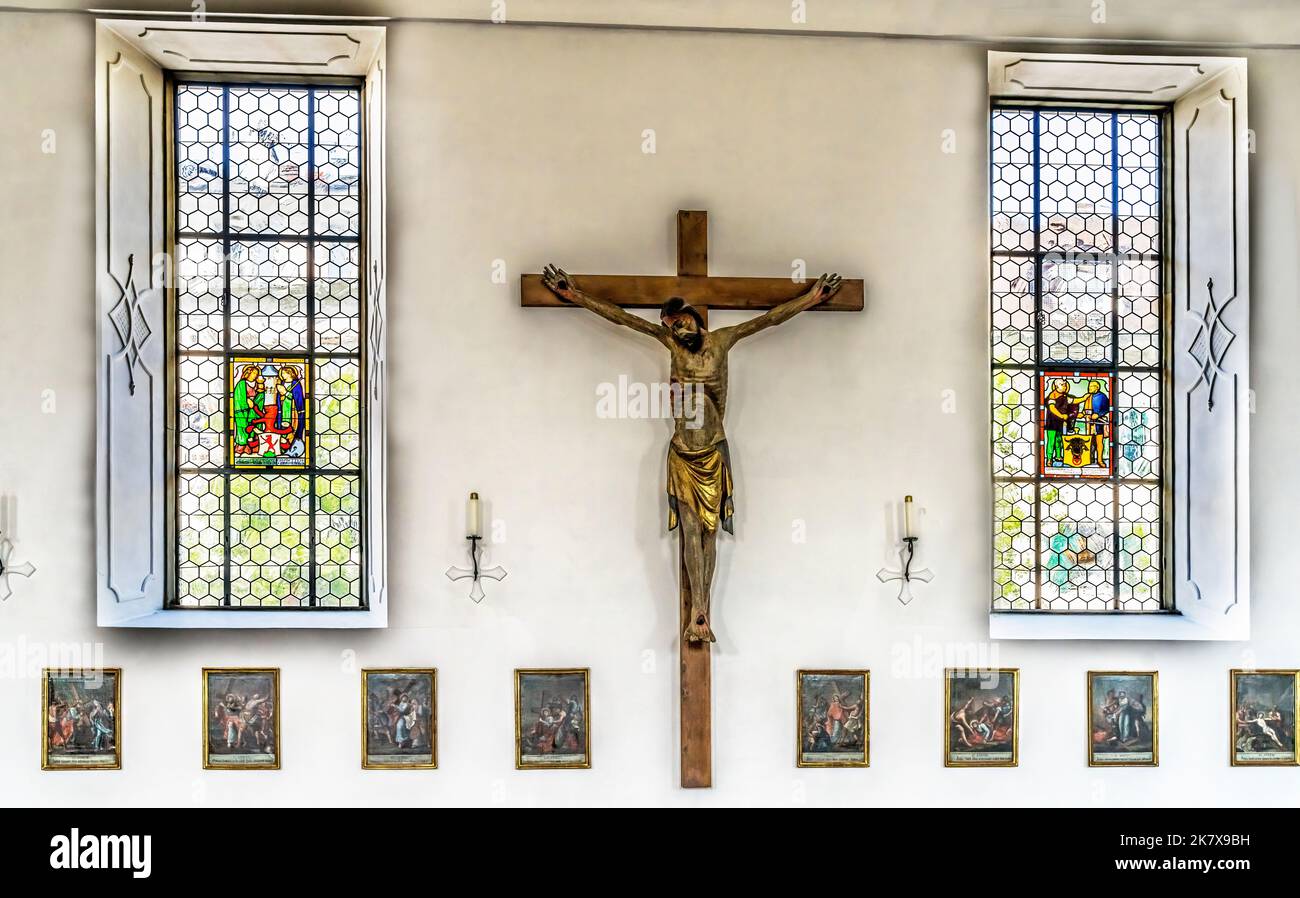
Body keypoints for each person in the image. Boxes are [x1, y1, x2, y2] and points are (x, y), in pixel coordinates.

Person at [541, 265, 843, 642]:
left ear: (694, 318)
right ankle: (698, 611)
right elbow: (624, 319)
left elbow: (768, 320)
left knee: (710, 531)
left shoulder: (724, 339)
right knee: (689, 530)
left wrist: (811, 299)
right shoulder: (670, 346)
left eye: (680, 322)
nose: (676, 331)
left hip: (713, 450)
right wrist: (576, 296)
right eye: (670, 328)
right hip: (683, 452)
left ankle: (703, 608)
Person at [232, 365, 263, 457]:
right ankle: (241, 447)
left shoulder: (257, 384)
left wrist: (257, 401)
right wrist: (246, 402)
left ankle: (249, 446)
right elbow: (238, 398)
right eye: (254, 373)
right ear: (248, 373)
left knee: (252, 427)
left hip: (253, 411)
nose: (255, 375)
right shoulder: (241, 384)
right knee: (242, 428)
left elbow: (260, 397)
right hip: (243, 411)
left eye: (256, 373)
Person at [1043, 379, 1073, 467]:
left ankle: (1058, 456)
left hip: (1061, 423)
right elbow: (1052, 409)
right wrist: (1062, 416)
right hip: (1051, 422)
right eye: (1062, 384)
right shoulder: (1052, 395)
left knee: (1059, 439)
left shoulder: (1065, 396)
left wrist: (1084, 397)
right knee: (1051, 441)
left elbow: (1074, 401)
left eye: (1065, 384)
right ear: (1056, 386)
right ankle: (1049, 458)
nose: (1064, 386)